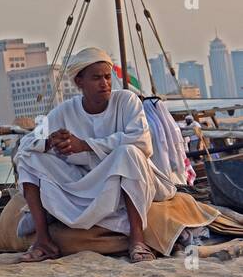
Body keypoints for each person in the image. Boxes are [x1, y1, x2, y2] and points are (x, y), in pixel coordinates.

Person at [14, 47, 175, 264]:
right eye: (96, 78)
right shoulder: (65, 111)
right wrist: (50, 141)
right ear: (79, 82)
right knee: (28, 158)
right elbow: (27, 143)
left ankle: (137, 239)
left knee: (128, 152)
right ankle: (44, 241)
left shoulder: (126, 101)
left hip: (123, 178)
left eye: (108, 77)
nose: (104, 83)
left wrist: (85, 145)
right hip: (84, 180)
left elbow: (142, 142)